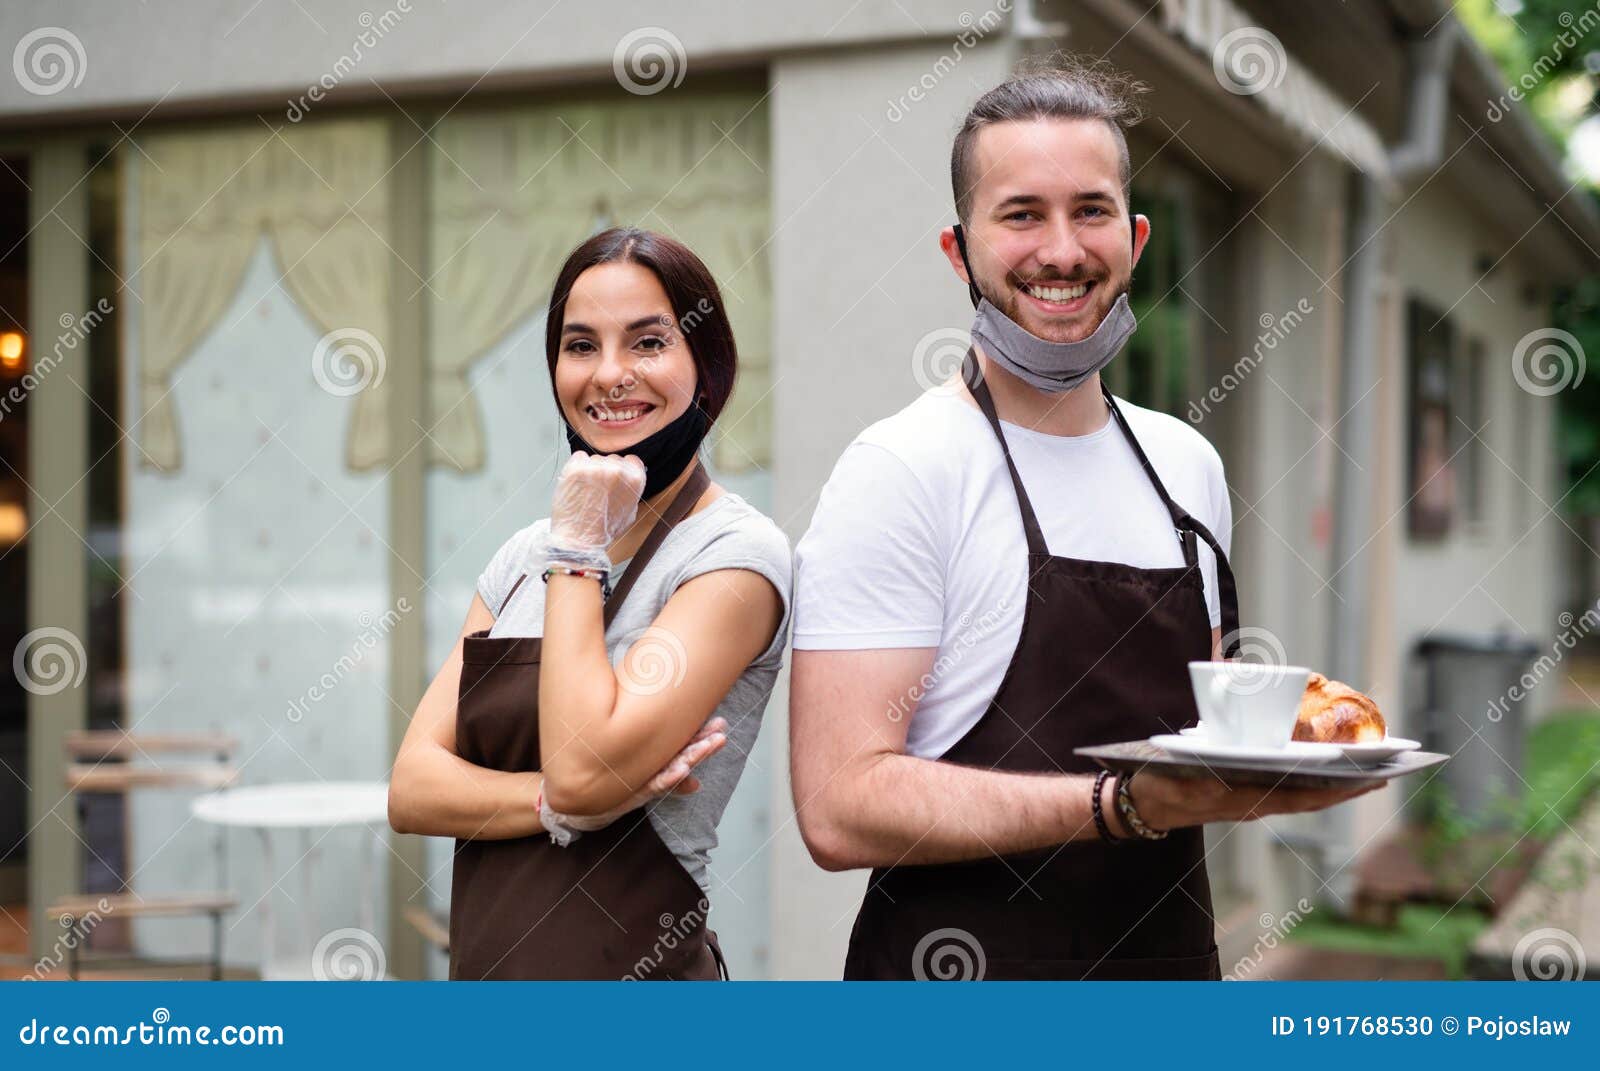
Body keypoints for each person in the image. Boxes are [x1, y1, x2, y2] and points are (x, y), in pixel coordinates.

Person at [789, 57, 1383, 981]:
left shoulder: (1188, 468)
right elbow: (837, 804)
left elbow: (1206, 739)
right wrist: (1118, 806)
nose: (1062, 251)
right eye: (1022, 213)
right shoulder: (902, 471)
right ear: (960, 250)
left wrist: (1294, 755)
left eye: (1091, 210)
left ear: (1135, 238)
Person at [389, 227, 791, 980]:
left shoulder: (735, 556)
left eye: (646, 342)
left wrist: (577, 551)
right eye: (580, 346)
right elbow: (412, 787)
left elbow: (583, 767)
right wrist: (553, 806)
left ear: (706, 368)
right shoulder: (520, 558)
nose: (609, 374)